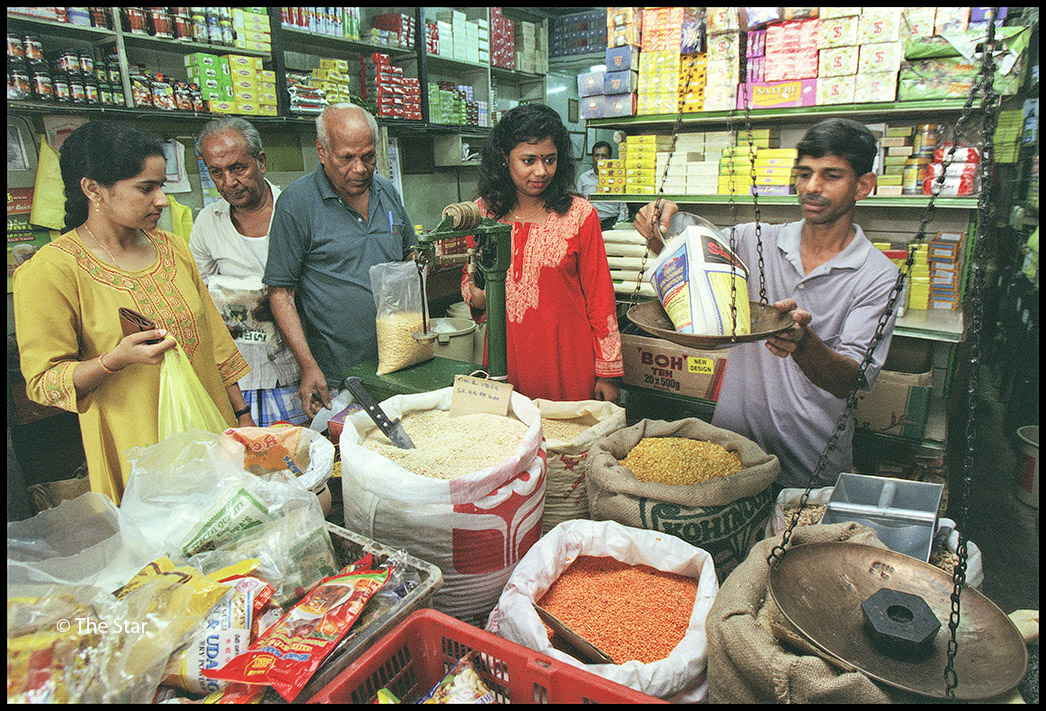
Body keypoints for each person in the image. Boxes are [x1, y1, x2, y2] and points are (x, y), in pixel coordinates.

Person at [634, 118, 899, 489]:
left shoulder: (878, 275)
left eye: (831, 175)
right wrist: (664, 219)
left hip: (811, 460)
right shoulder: (752, 239)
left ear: (864, 186)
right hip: (734, 446)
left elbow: (850, 380)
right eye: (804, 173)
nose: (812, 187)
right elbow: (682, 249)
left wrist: (803, 343)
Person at [13, 121, 253, 505]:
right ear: (93, 189)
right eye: (146, 188)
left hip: (213, 437)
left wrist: (242, 417)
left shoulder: (173, 250)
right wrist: (113, 361)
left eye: (161, 186)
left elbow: (216, 344)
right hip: (138, 454)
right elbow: (44, 381)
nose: (161, 199)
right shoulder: (51, 271)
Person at [264, 102, 417, 419]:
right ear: (322, 151)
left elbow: (409, 257)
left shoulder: (387, 191)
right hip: (337, 379)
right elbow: (281, 294)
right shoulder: (297, 204)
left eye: (368, 157)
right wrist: (308, 366)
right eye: (347, 158)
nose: (360, 168)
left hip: (398, 366)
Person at [463, 103, 624, 402]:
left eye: (549, 160)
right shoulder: (483, 213)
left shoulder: (579, 215)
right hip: (504, 358)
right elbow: (471, 279)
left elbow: (601, 298)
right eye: (528, 160)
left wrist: (607, 372)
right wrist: (477, 295)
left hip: (567, 360)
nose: (541, 171)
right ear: (504, 158)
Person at [190, 117, 307, 427]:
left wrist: (283, 299)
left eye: (238, 168)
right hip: (246, 379)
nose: (229, 182)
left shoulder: (296, 209)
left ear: (261, 161)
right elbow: (199, 298)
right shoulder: (207, 223)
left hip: (304, 369)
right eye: (217, 172)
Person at [575, 140, 627, 231]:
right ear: (592, 158)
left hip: (611, 223)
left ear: (610, 158)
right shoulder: (584, 178)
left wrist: (618, 227)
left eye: (603, 156)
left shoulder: (617, 179)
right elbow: (577, 205)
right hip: (590, 224)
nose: (599, 159)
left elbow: (623, 207)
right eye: (596, 155)